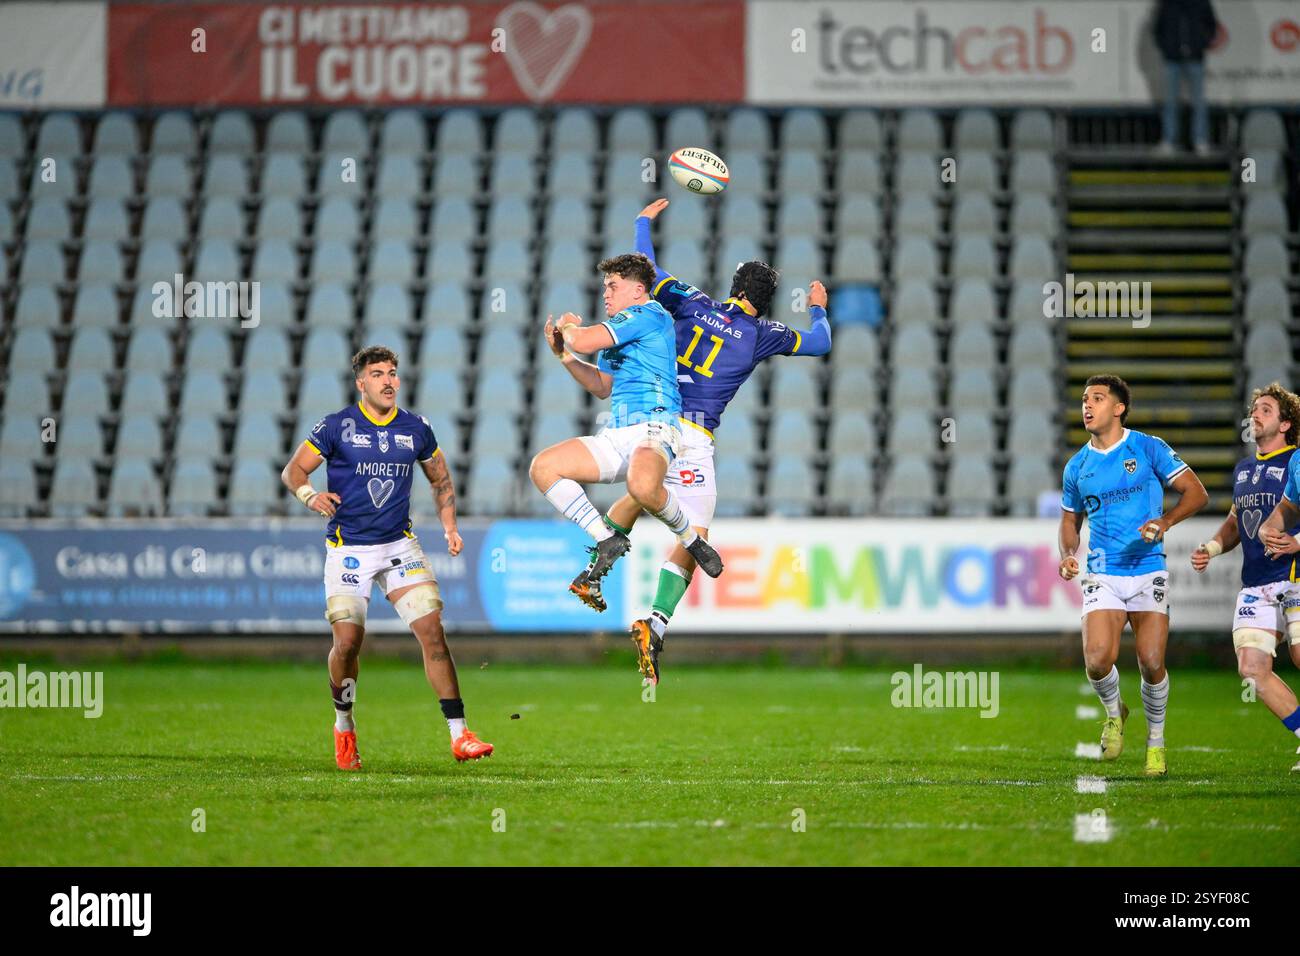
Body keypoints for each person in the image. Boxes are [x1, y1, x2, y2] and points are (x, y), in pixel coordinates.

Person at [600, 198, 832, 684]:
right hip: (697, 434)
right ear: (765, 300)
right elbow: (819, 343)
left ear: (732, 286)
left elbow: (646, 270)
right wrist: (818, 309)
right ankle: (655, 622)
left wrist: (642, 222)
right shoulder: (762, 333)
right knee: (695, 534)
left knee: (642, 495)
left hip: (656, 417)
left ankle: (596, 566)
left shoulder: (690, 300)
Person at [281, 345, 493, 769]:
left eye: (393, 372)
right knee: (347, 643)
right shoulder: (336, 426)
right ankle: (344, 725)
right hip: (349, 549)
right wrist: (310, 495)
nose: (388, 380)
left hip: (399, 546)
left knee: (433, 630)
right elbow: (293, 471)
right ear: (361, 383)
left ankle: (460, 733)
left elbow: (440, 478)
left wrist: (450, 526)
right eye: (378, 374)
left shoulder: (416, 428)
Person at [528, 253, 725, 610]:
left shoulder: (649, 314)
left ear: (638, 289)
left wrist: (570, 328)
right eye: (605, 287)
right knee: (543, 467)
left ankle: (691, 540)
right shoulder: (619, 325)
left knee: (642, 486)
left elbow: (584, 340)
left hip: (657, 425)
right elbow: (603, 385)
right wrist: (564, 356)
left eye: (612, 286)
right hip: (617, 434)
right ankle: (605, 540)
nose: (606, 294)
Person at [1058, 374, 1208, 776]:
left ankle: (1155, 742)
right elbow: (1070, 521)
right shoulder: (1078, 466)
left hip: (1147, 569)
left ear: (1119, 408)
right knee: (1096, 659)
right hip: (1103, 572)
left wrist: (1165, 521)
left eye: (1098, 399)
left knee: (1151, 660)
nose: (1087, 406)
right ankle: (1114, 711)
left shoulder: (1148, 447)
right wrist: (1069, 554)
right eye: (1084, 399)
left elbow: (1196, 493)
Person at [1153, 0, 1219, 154]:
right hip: (1172, 59)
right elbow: (1158, 28)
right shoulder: (1167, 4)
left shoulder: (1201, 3)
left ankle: (1200, 140)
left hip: (1195, 58)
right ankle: (1169, 140)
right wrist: (1166, 48)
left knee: (1198, 102)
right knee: (1170, 101)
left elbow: (1211, 25)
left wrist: (1202, 43)